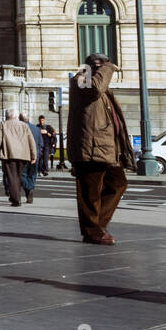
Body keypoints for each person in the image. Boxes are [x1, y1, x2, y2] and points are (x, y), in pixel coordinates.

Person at [67, 53, 133, 245]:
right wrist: (108, 67)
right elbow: (96, 88)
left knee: (118, 183)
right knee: (90, 193)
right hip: (90, 148)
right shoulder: (80, 81)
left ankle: (97, 225)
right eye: (103, 67)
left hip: (106, 148)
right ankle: (92, 231)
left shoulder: (100, 89)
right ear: (95, 67)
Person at [0, 108, 37, 206]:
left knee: (12, 177)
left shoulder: (2, 124)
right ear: (16, 116)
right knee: (18, 175)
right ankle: (17, 196)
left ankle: (16, 199)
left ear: (7, 116)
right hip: (23, 154)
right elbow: (31, 141)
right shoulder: (24, 125)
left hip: (9, 153)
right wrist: (33, 155)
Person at [19, 113, 40, 203]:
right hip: (36, 155)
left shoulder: (20, 128)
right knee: (32, 175)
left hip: (24, 156)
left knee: (22, 175)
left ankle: (28, 188)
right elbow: (40, 143)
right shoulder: (36, 128)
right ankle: (30, 191)